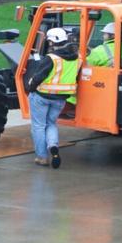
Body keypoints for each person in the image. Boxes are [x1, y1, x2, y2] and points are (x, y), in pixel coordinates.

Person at [23, 26, 78, 168]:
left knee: (39, 126)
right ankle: (53, 146)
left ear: (52, 42)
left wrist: (30, 88)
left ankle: (42, 157)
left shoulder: (51, 58)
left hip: (41, 97)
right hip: (60, 99)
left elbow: (38, 77)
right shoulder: (77, 58)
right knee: (51, 123)